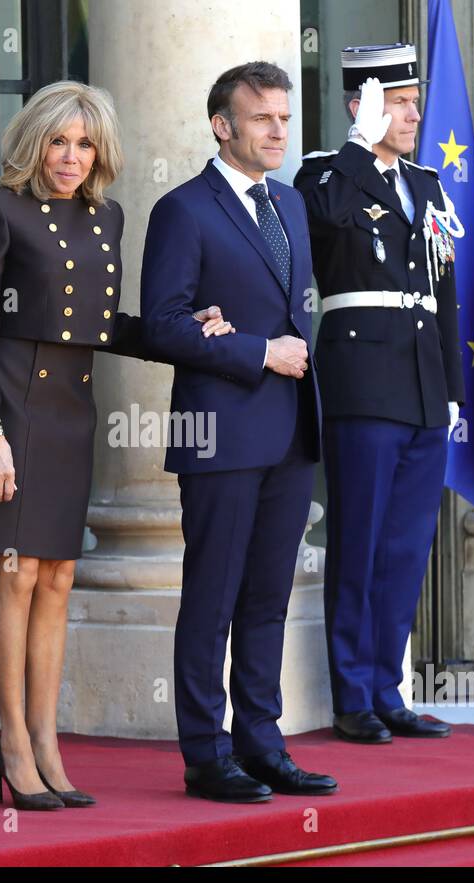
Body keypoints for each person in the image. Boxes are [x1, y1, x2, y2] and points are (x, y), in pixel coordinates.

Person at [0, 80, 233, 811]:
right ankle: (12, 739)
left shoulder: (106, 217)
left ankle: (48, 740)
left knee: (58, 581)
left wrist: (183, 330)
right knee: (17, 575)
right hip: (12, 409)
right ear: (34, 143)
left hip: (73, 413)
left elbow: (103, 323)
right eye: (58, 141)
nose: (71, 156)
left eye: (84, 143)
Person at [140, 61, 336, 803]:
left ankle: (262, 744)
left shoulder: (288, 204)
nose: (279, 130)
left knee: (267, 599)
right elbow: (160, 324)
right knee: (213, 595)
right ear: (223, 126)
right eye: (263, 119)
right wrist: (252, 349)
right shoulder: (182, 211)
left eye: (284, 117)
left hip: (290, 431)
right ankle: (205, 753)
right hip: (219, 432)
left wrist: (267, 341)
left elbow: (297, 308)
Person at [293, 44, 464, 744]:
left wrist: (451, 390)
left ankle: (389, 687)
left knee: (405, 546)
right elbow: (325, 222)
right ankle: (352, 694)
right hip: (363, 384)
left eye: (414, 101)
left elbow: (443, 292)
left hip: (423, 387)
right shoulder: (326, 176)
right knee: (359, 541)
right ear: (361, 106)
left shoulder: (425, 184)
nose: (413, 114)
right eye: (396, 101)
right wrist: (362, 143)